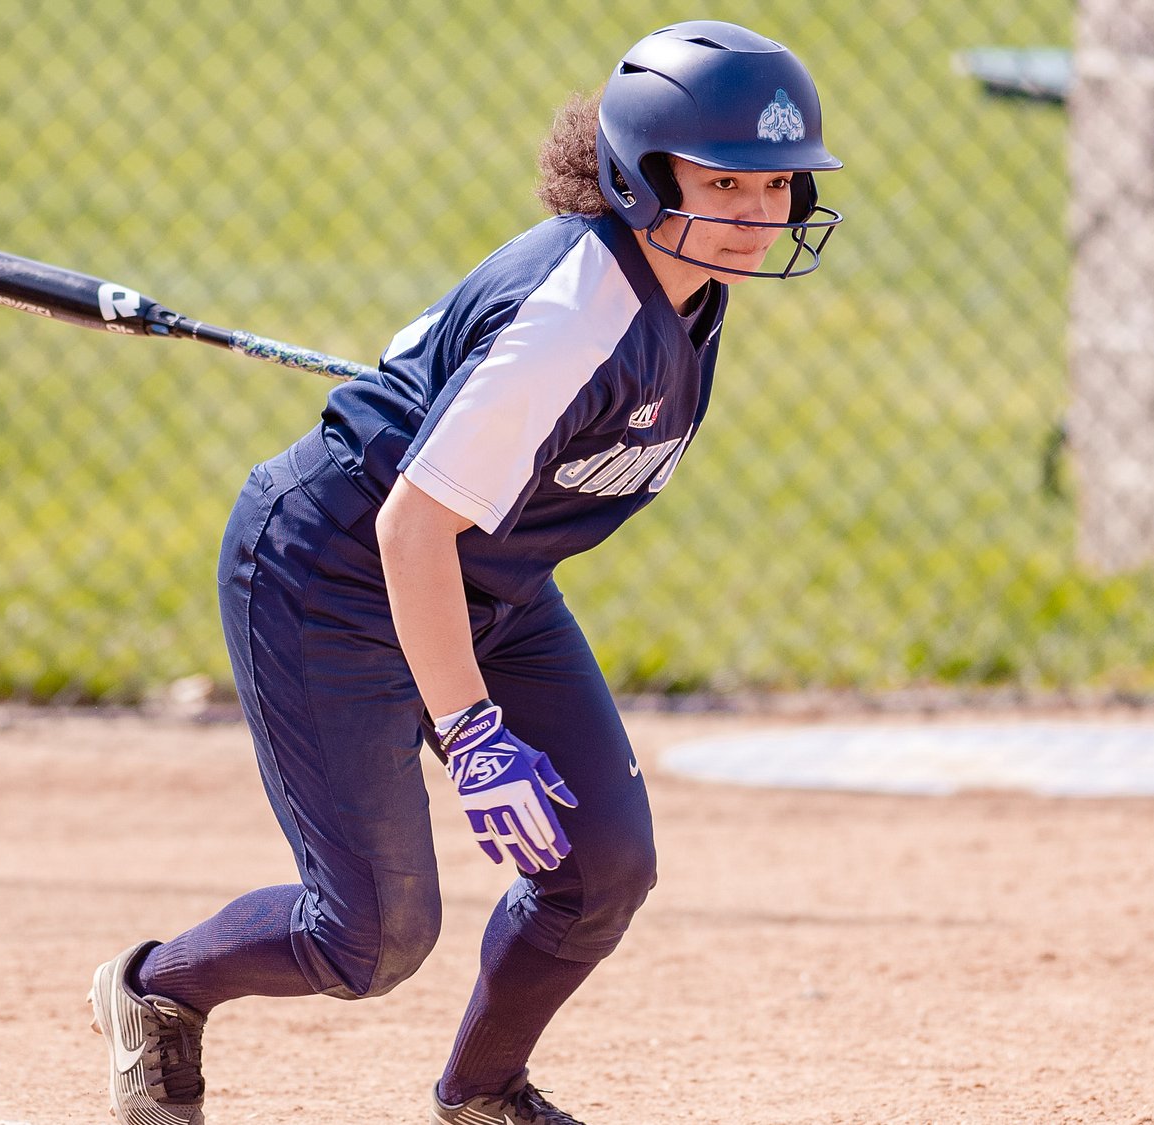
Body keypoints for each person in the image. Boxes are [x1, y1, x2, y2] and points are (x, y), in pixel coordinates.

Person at [86, 20, 842, 1125]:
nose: (755, 214)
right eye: (722, 181)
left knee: (601, 868)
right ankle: (154, 990)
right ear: (638, 175)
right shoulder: (574, 319)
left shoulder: (677, 292)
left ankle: (481, 1096)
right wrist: (476, 735)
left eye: (777, 185)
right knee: (370, 941)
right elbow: (409, 528)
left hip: (490, 584)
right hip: (332, 579)